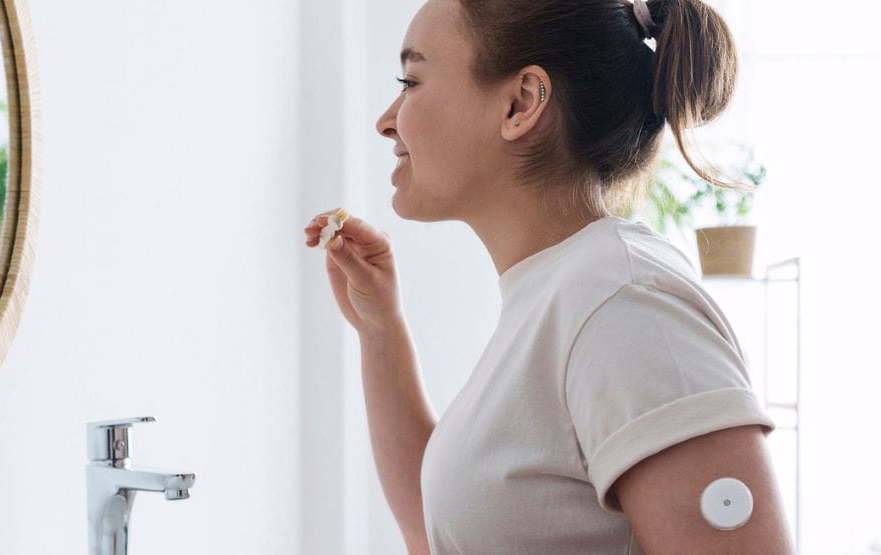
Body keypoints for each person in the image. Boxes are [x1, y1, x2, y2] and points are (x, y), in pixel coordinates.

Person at [301, 0, 794, 552]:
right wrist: (380, 330)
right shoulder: (562, 293)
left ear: (521, 103)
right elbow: (444, 535)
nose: (386, 119)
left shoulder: (625, 302)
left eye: (410, 80)